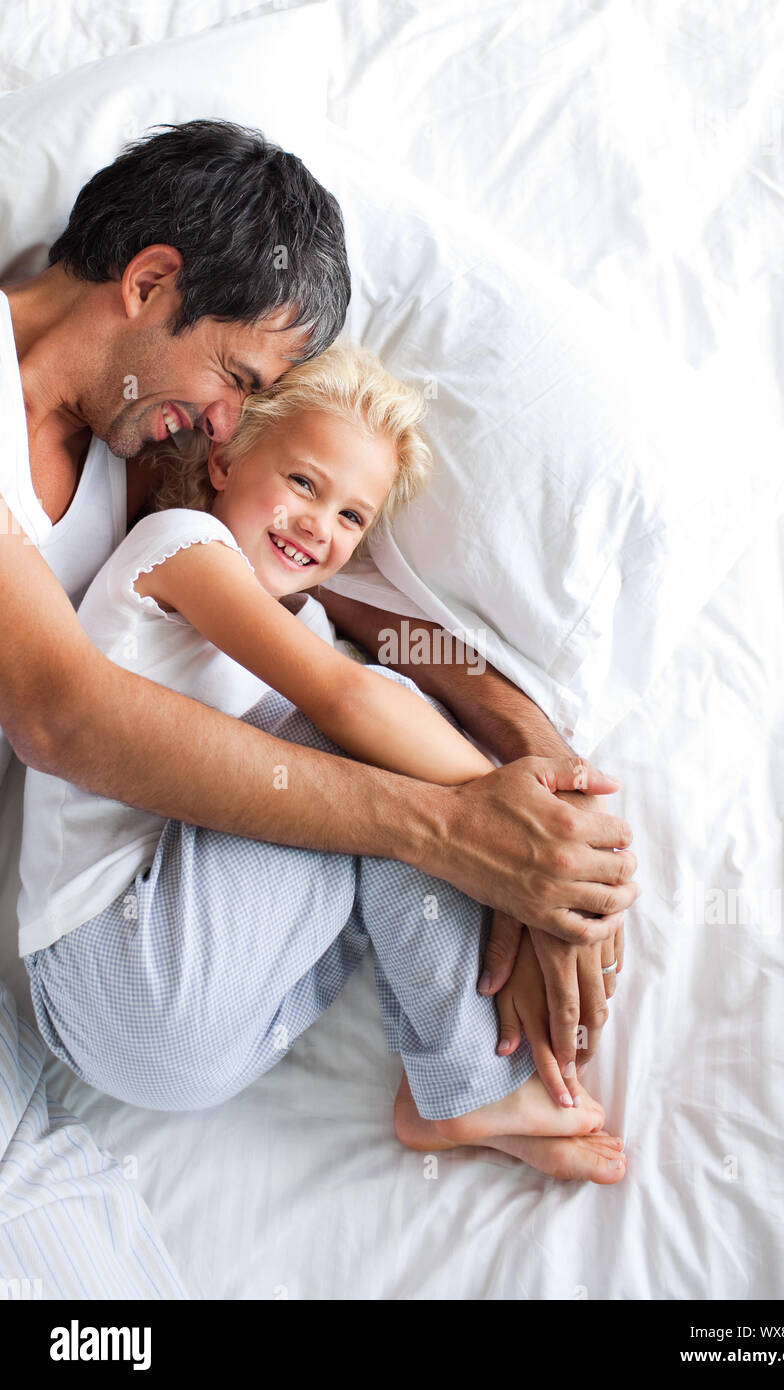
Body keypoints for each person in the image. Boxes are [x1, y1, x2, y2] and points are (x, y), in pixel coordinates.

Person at [0, 119, 638, 1110]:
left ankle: (467, 1082)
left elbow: (307, 590)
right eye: (238, 380)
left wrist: (539, 774)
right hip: (94, 970)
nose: (227, 425)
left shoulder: (130, 447)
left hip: (178, 995)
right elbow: (57, 714)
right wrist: (466, 825)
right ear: (149, 281)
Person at [19, 340, 628, 1182]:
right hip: (118, 968)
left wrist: (516, 851)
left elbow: (401, 688)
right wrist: (517, 823)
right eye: (304, 483)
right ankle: (472, 1085)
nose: (319, 526)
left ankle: (449, 1081)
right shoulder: (180, 546)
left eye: (352, 518)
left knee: (383, 815)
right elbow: (351, 702)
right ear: (226, 458)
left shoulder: (306, 622)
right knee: (384, 730)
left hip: (223, 1037)